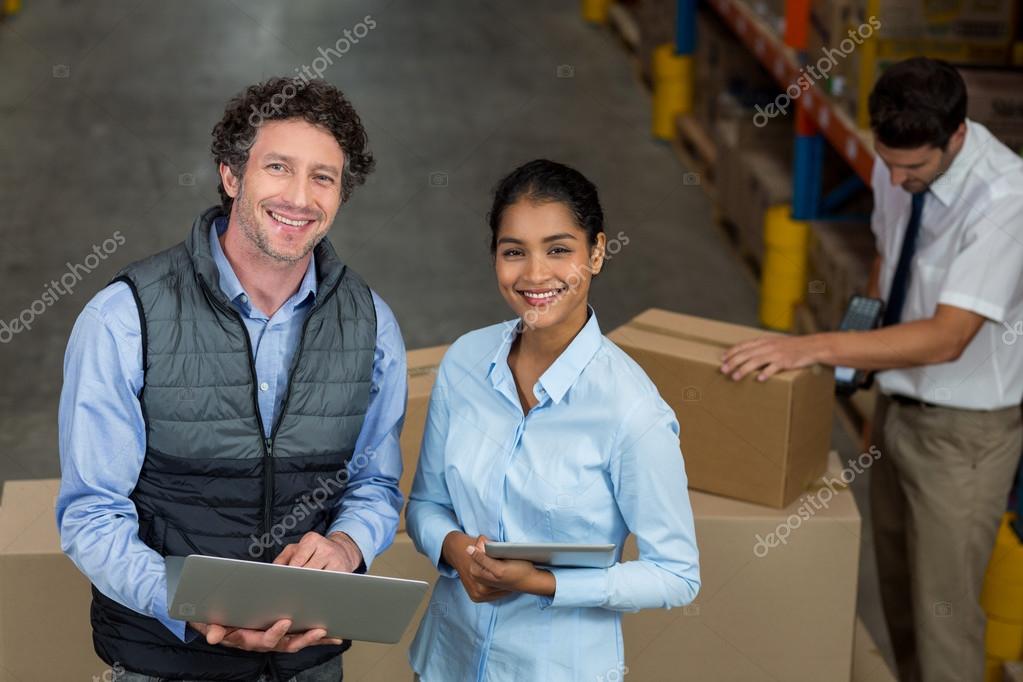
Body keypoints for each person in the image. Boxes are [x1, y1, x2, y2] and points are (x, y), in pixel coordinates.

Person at [56, 78, 407, 681]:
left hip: (307, 666)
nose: (300, 197)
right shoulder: (124, 319)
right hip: (163, 663)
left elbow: (374, 484)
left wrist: (347, 546)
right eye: (278, 167)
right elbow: (91, 514)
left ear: (341, 194)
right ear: (231, 175)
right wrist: (193, 606)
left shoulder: (371, 324)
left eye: (323, 177)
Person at [720, 57, 1023, 682]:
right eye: (888, 161)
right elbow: (888, 266)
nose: (896, 176)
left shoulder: (1005, 199)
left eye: (913, 167)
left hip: (964, 438)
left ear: (957, 136)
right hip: (895, 409)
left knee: (944, 617)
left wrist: (814, 348)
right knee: (897, 595)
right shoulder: (898, 164)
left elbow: (947, 338)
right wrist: (857, 379)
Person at [405, 159, 701, 681]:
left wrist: (543, 583)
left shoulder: (631, 411)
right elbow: (427, 504)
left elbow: (675, 575)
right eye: (514, 251)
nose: (535, 274)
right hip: (445, 660)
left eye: (559, 249)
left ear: (598, 253)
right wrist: (455, 551)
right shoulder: (465, 362)